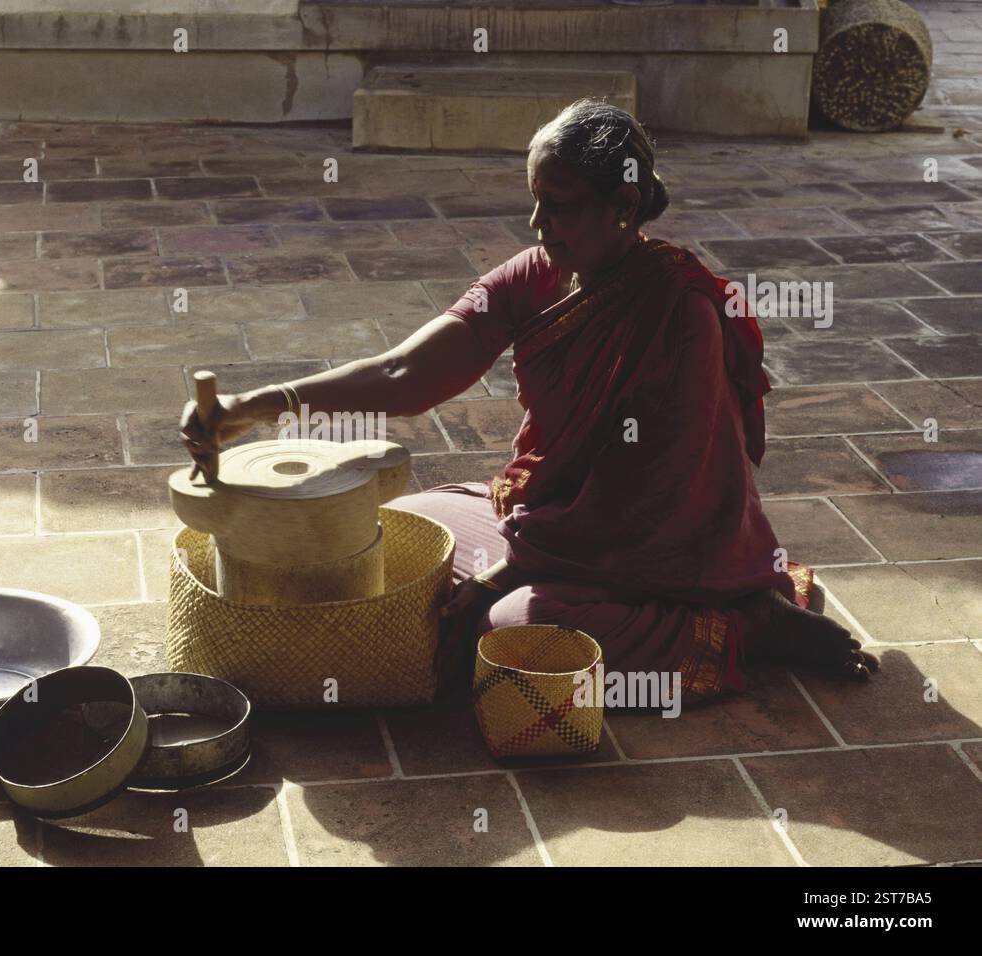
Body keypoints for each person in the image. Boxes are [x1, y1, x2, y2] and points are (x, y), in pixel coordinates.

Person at [178, 98, 878, 704]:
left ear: (623, 207)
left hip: (662, 561)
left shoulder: (679, 312)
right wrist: (254, 404)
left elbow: (641, 501)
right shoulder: (543, 273)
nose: (540, 224)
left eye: (562, 205)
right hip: (550, 523)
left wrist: (497, 577)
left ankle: (747, 625)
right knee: (395, 538)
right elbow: (406, 374)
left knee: (505, 635)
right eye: (535, 199)